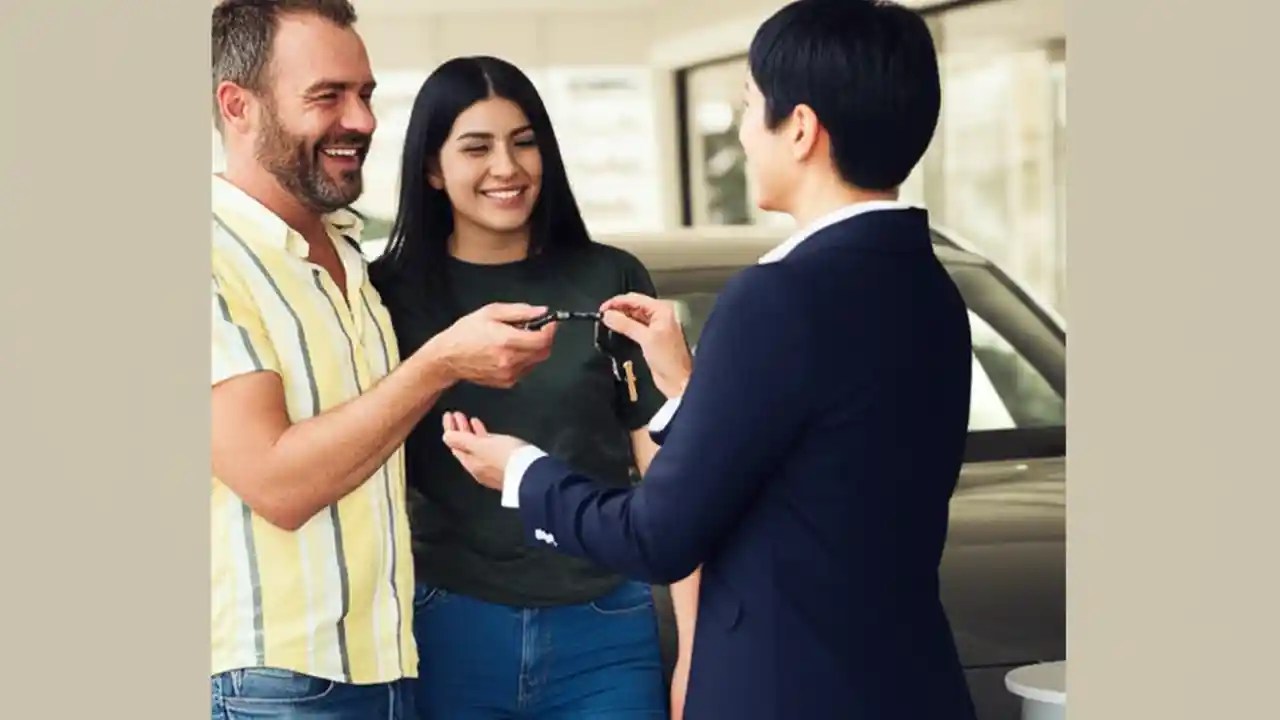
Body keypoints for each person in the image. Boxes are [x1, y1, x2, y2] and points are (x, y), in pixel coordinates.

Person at [438, 1, 980, 718]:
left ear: (802, 130)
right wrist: (686, 385)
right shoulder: (928, 283)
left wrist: (520, 473)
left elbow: (656, 537)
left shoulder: (778, 298)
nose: (741, 131)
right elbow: (817, 465)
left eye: (749, 106)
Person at [210, 3, 555, 719]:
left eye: (364, 94)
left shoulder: (347, 254)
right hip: (271, 686)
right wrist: (439, 363)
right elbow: (279, 483)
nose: (362, 120)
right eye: (326, 96)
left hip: (387, 671)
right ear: (237, 106)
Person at [368, 55, 698, 720]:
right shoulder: (386, 294)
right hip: (443, 626)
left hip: (605, 625)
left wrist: (695, 649)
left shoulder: (611, 277)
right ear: (433, 169)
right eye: (476, 147)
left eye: (524, 142)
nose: (507, 168)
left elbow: (670, 471)